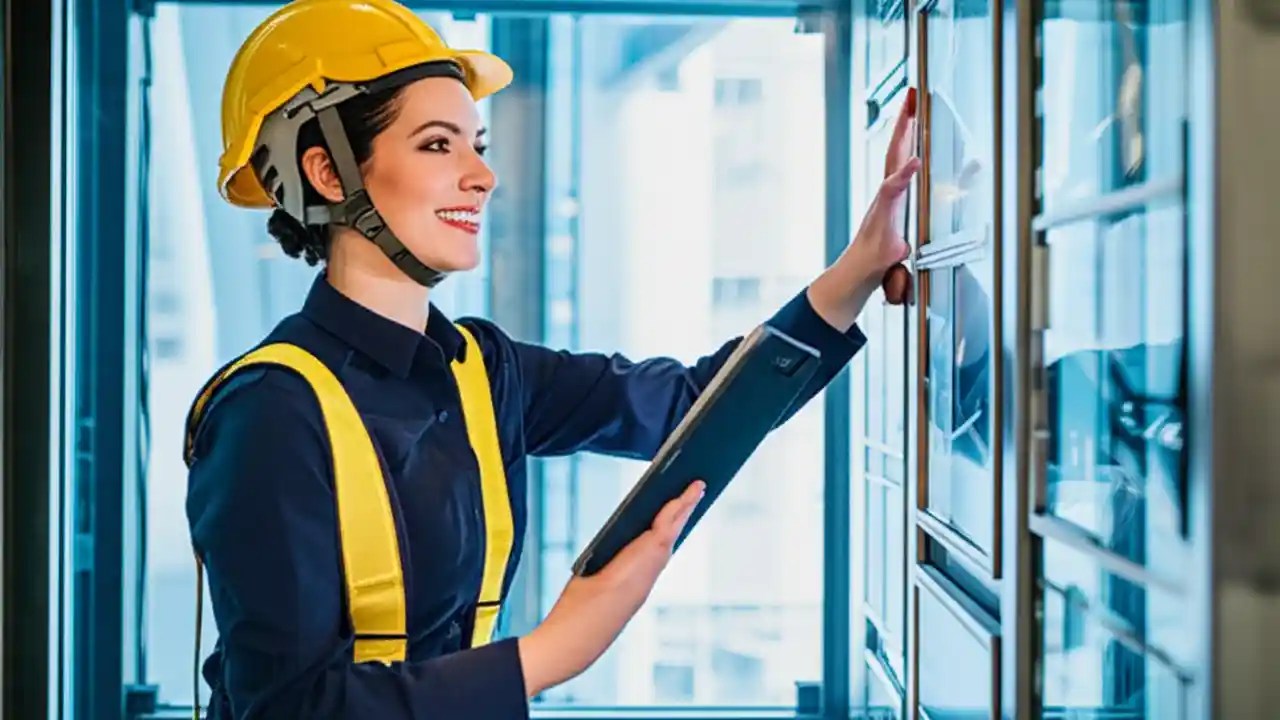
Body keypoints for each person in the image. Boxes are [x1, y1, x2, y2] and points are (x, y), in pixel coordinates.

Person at [183, 1, 920, 718]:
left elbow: (698, 404)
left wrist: (857, 271)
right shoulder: (269, 411)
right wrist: (556, 650)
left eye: (478, 145)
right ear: (329, 174)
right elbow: (284, 709)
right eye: (438, 144)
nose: (481, 175)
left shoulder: (486, 370)